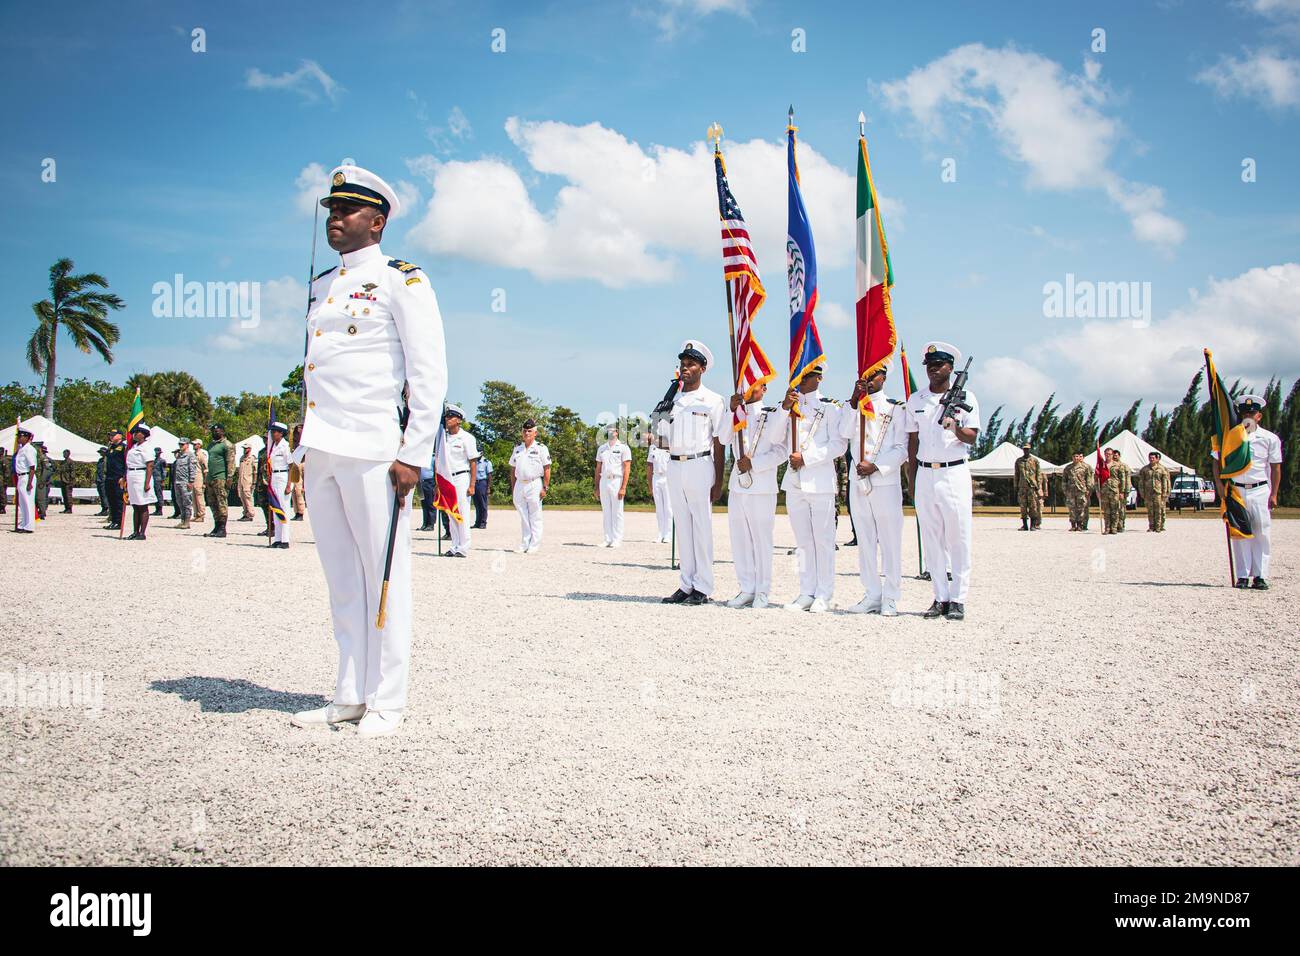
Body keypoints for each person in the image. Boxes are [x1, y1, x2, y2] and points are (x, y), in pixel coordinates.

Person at [290, 163, 448, 739]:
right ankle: (349, 693)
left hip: (374, 448)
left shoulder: (401, 279)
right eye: (331, 209)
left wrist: (414, 453)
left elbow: (428, 371)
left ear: (376, 221)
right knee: (342, 579)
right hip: (324, 446)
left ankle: (388, 700)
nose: (335, 218)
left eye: (347, 210)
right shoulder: (321, 285)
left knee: (384, 573)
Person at [905, 342, 981, 622]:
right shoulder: (916, 400)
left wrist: (955, 428)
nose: (934, 369)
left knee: (958, 537)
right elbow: (912, 441)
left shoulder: (966, 397)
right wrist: (911, 478)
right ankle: (940, 597)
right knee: (932, 538)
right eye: (930, 365)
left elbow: (973, 436)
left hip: (954, 471)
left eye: (939, 365)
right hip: (926, 472)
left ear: (951, 368)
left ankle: (959, 598)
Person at [767, 361, 845, 613]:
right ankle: (806, 590)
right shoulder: (789, 406)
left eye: (806, 374)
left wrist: (808, 459)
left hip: (819, 481)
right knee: (802, 542)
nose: (800, 379)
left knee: (823, 540)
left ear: (818, 377)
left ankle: (824, 592)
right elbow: (773, 438)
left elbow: (839, 445)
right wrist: (785, 408)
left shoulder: (831, 408)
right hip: (794, 482)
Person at [657, 340, 726, 606]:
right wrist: (657, 433)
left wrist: (719, 481)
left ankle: (703, 586)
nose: (685, 369)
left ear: (702, 368)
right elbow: (660, 436)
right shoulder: (671, 397)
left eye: (691, 364)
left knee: (701, 527)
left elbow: (719, 442)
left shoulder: (712, 400)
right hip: (674, 465)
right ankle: (686, 584)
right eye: (683, 364)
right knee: (683, 527)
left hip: (700, 464)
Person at [840, 367, 907, 616]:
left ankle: (891, 596)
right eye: (864, 376)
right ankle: (872, 593)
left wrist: (876, 466)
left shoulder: (896, 408)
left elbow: (902, 448)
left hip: (884, 481)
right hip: (859, 482)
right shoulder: (853, 406)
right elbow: (843, 433)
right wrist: (854, 401)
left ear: (884, 377)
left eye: (874, 376)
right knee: (865, 541)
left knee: (890, 541)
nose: (869, 381)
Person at [721, 383, 783, 609]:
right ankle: (746, 588)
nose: (747, 391)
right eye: (744, 386)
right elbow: (722, 438)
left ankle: (763, 591)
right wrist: (730, 411)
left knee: (761, 541)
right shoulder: (737, 414)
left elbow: (781, 451)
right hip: (738, 486)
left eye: (753, 386)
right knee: (740, 541)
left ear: (764, 388)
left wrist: (754, 464)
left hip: (762, 487)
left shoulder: (773, 415)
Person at [1213, 394, 1283, 590]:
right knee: (1239, 533)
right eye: (1245, 413)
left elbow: (1276, 467)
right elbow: (1216, 463)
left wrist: (1274, 493)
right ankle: (1242, 576)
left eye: (1252, 413)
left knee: (1262, 532)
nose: (1248, 416)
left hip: (1260, 490)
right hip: (1236, 491)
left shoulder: (1269, 438)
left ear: (1259, 416)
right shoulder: (1229, 438)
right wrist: (1221, 489)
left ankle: (1260, 575)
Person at [440, 405, 479, 558]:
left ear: (458, 420)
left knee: (462, 512)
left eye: (450, 417)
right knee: (451, 512)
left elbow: (473, 462)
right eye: (446, 417)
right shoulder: (443, 438)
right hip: (447, 478)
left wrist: (472, 484)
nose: (447, 420)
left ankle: (463, 546)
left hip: (461, 477)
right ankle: (454, 544)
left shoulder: (467, 438)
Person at [509, 418, 551, 553]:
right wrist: (513, 486)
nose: (527, 433)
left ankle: (534, 544)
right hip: (520, 484)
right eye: (525, 431)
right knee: (523, 515)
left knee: (535, 514)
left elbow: (547, 468)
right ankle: (524, 542)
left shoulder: (541, 448)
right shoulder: (518, 448)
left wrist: (545, 487)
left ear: (535, 433)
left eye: (529, 431)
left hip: (534, 483)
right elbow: (512, 468)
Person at [594, 425, 632, 548]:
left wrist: (623, 487)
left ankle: (617, 539)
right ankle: (607, 538)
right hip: (604, 480)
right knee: (606, 511)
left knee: (617, 511)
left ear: (617, 432)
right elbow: (598, 468)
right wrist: (596, 487)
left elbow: (627, 468)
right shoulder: (602, 448)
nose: (610, 432)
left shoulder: (623, 448)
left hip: (617, 480)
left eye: (612, 431)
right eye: (608, 431)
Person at [124, 424, 156, 540]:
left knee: (142, 505)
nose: (135, 434)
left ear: (144, 434)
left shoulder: (147, 447)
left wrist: (147, 483)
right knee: (135, 505)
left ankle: (142, 533)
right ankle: (135, 531)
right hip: (132, 474)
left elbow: (150, 465)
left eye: (137, 432)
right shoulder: (134, 447)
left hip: (141, 475)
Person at [203, 424, 235, 538]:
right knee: (212, 502)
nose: (215, 433)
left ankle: (222, 528)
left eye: (218, 431)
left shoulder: (227, 445)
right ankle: (216, 526)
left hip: (221, 477)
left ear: (223, 431)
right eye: (213, 431)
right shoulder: (211, 445)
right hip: (211, 477)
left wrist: (230, 477)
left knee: (221, 502)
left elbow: (230, 462)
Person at [267, 422, 292, 548]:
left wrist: (289, 485)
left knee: (284, 508)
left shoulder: (285, 446)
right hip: (274, 476)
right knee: (275, 507)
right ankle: (277, 538)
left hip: (283, 476)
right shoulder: (273, 446)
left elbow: (292, 466)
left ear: (281, 433)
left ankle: (285, 540)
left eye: (275, 431)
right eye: (272, 431)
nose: (273, 433)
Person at [646, 437, 672, 543]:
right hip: (656, 477)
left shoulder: (670, 446)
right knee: (659, 508)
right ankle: (660, 533)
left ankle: (668, 534)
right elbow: (649, 465)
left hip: (667, 477)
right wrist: (650, 484)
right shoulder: (652, 448)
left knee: (668, 508)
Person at [1137, 451, 1172, 532]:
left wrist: (1165, 493)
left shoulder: (1162, 469)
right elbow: (1141, 482)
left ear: (1157, 459)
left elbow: (1165, 482)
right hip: (1148, 493)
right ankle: (1151, 526)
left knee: (1159, 510)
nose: (1151, 459)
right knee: (1150, 510)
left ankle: (1159, 526)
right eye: (1150, 458)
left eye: (1153, 458)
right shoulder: (1144, 469)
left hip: (1158, 493)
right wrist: (1142, 493)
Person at [11, 427, 37, 532]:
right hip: (21, 477)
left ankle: (29, 526)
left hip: (27, 477)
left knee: (28, 502)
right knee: (22, 503)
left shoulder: (29, 449)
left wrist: (30, 482)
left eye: (20, 436)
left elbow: (32, 467)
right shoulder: (22, 449)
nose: (18, 438)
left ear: (26, 437)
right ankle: (23, 524)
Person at [1014, 443, 1045, 531]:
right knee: (1023, 507)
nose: (1026, 450)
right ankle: (1025, 525)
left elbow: (1038, 473)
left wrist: (1038, 486)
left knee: (1033, 506)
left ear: (1030, 449)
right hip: (1022, 487)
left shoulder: (1035, 460)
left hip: (1032, 487)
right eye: (1024, 449)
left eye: (1027, 449)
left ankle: (1033, 525)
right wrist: (1016, 485)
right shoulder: (1019, 461)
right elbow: (1016, 474)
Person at [1062, 452, 1094, 531]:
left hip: (1081, 491)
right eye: (1074, 456)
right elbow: (1064, 480)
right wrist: (1065, 490)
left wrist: (1088, 489)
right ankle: (1073, 525)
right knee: (1071, 509)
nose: (1076, 458)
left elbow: (1089, 479)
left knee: (1081, 508)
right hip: (1070, 491)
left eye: (1078, 456)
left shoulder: (1086, 467)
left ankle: (1080, 525)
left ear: (1080, 458)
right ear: (1072, 458)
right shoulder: (1068, 468)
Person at [1100, 448, 1130, 534]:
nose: (1108, 455)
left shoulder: (1118, 465)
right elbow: (1097, 479)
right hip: (1104, 490)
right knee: (1106, 511)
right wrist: (1098, 491)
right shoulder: (1101, 465)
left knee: (1115, 510)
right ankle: (1107, 528)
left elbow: (1123, 479)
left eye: (1109, 454)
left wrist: (1122, 491)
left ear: (1113, 454)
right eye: (1106, 454)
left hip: (1115, 490)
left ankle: (1114, 528)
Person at [104, 430, 127, 530]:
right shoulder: (110, 447)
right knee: (111, 499)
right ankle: (113, 520)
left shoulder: (123, 447)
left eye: (113, 435)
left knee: (118, 500)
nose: (111, 437)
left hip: (118, 477)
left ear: (120, 436)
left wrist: (124, 476)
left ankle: (118, 522)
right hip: (109, 477)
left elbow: (126, 463)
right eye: (110, 435)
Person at [173, 438, 196, 529]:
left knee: (187, 502)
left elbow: (192, 469)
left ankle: (187, 521)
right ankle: (182, 520)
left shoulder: (190, 455)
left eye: (182, 444)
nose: (180, 446)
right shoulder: (180, 455)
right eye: (180, 444)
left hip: (185, 482)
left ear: (187, 445)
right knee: (180, 502)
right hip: (178, 481)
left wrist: (191, 481)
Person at [471, 454, 493, 529]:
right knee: (477, 505)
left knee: (483, 505)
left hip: (482, 483)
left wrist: (488, 488)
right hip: (474, 483)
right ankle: (477, 522)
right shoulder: (474, 461)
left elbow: (490, 476)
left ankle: (483, 523)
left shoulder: (486, 462)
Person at [289, 424, 306, 521]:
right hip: (296, 462)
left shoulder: (305, 440)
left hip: (303, 462)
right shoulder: (294, 440)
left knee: (299, 490)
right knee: (294, 489)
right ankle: (297, 511)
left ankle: (301, 512)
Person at [236, 445, 256, 520]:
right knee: (242, 497)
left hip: (248, 481)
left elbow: (255, 471)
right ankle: (245, 513)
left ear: (249, 449)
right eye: (244, 448)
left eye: (246, 448)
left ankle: (250, 514)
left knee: (248, 497)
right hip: (241, 480)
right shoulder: (242, 458)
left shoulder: (252, 458)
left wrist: (254, 482)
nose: (244, 449)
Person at [34, 443, 51, 520]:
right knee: (37, 497)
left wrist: (42, 480)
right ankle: (37, 512)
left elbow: (47, 470)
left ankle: (42, 513)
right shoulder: (38, 457)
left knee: (41, 497)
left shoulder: (44, 458)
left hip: (41, 481)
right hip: (37, 479)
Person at [191, 437, 207, 521]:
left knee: (199, 496)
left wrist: (205, 481)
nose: (193, 445)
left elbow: (205, 468)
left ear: (199, 445)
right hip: (193, 477)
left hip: (199, 477)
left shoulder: (201, 455)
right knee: (194, 496)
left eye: (195, 444)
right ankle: (196, 514)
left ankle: (201, 514)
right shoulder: (193, 454)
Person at [59, 449, 76, 513]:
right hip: (63, 480)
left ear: (68, 454)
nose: (64, 455)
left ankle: (69, 508)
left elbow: (72, 472)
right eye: (63, 453)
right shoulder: (63, 462)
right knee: (64, 495)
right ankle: (66, 508)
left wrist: (71, 481)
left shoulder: (70, 462)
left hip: (68, 481)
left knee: (68, 495)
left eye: (65, 453)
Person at [94, 446, 108, 515]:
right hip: (99, 479)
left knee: (104, 495)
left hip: (104, 480)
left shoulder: (107, 460)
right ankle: (103, 508)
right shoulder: (100, 460)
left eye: (102, 452)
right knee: (101, 495)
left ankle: (106, 509)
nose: (101, 454)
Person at [0, 447, 8, 515]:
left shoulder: (4, 460)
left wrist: (6, 480)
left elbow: (6, 471)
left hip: (2, 479)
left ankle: (2, 507)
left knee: (2, 493)